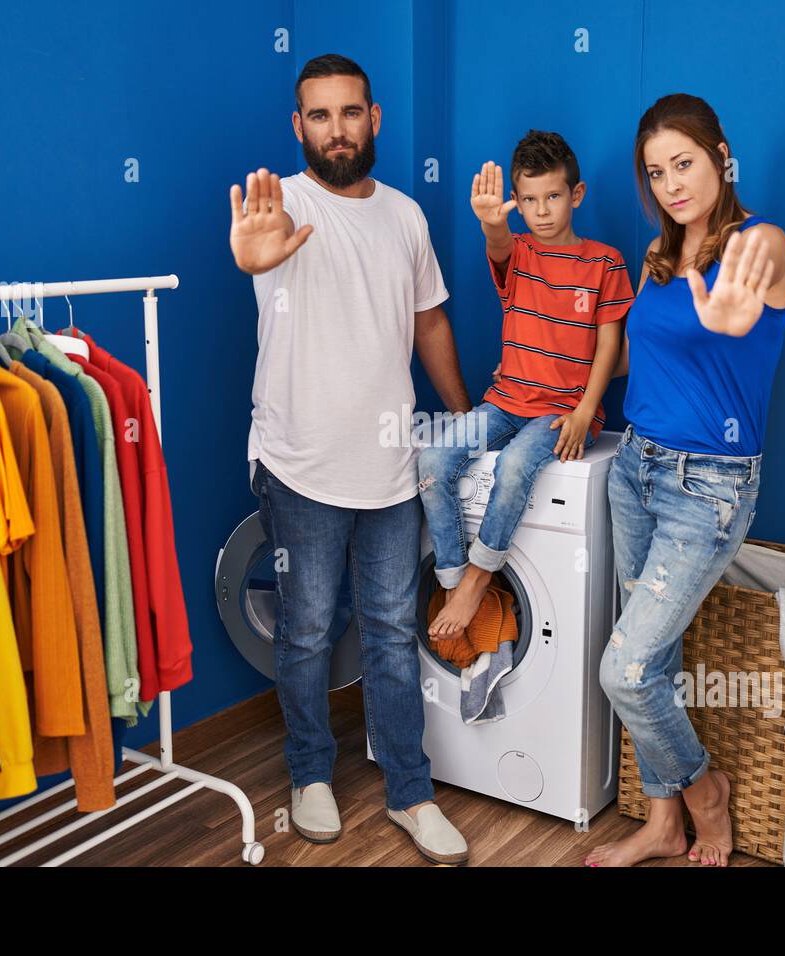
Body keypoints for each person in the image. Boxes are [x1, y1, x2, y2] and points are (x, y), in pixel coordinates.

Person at [228, 53, 474, 865]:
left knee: (393, 633)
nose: (338, 129)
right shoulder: (279, 207)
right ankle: (311, 776)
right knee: (303, 632)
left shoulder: (404, 215)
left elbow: (429, 323)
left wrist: (465, 418)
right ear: (298, 127)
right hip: (299, 464)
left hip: (390, 466)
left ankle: (410, 790)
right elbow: (256, 259)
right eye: (320, 116)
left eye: (351, 112)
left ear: (376, 120)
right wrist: (257, 262)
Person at [584, 93, 785, 869]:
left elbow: (757, 272)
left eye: (685, 163)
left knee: (626, 669)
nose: (672, 183)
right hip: (634, 469)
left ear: (721, 156)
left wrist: (734, 314)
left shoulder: (758, 244)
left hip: (709, 486)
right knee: (658, 663)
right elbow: (653, 357)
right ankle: (664, 825)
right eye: (656, 171)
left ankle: (709, 796)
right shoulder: (657, 257)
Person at [419, 131, 631, 640]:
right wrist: (493, 223)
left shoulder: (605, 263)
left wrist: (586, 409)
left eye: (553, 197)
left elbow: (609, 346)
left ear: (576, 195)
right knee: (432, 460)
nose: (541, 210)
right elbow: (498, 243)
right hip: (505, 401)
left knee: (514, 467)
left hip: (560, 412)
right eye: (529, 200)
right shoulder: (517, 253)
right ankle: (451, 579)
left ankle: (479, 576)